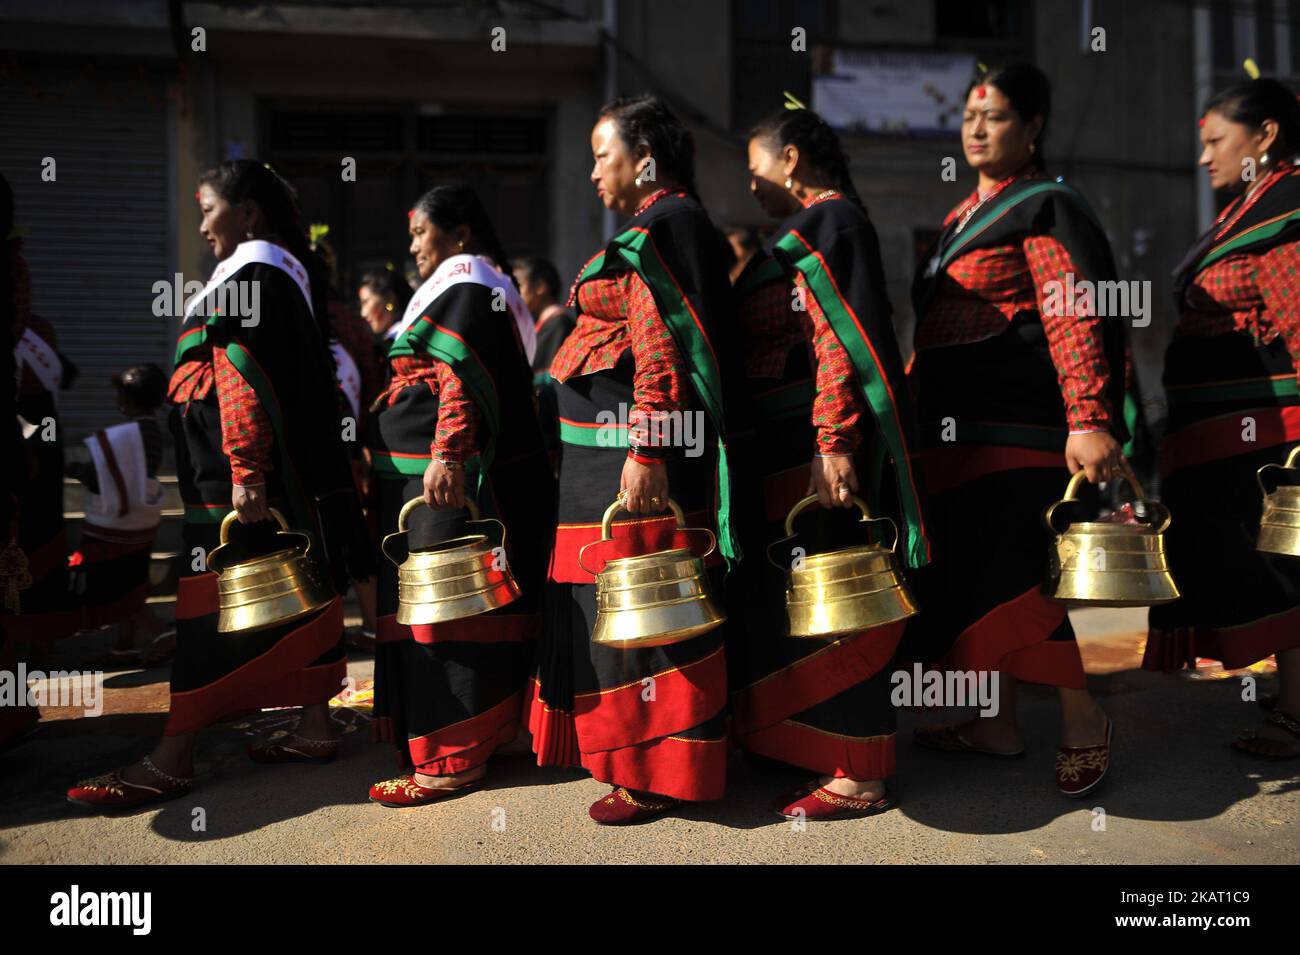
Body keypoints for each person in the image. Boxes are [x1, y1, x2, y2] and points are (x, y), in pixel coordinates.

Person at [66, 159, 370, 811]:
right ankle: (314, 726)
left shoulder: (251, 275)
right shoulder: (284, 275)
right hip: (283, 472)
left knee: (209, 611)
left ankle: (173, 757)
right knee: (301, 589)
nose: (202, 225)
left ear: (247, 212)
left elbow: (236, 371)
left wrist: (244, 468)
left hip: (235, 479)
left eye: (207, 209)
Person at [902, 63, 1127, 797]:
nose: (975, 128)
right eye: (969, 115)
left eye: (995, 117)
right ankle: (996, 724)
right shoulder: (958, 220)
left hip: (1020, 427)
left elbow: (1070, 309)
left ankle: (1081, 717)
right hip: (953, 433)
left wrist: (1090, 417)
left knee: (1025, 574)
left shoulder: (1044, 204)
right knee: (973, 576)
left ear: (1031, 129)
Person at [526, 94, 747, 825]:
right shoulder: (656, 228)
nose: (593, 170)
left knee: (649, 611)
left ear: (643, 157)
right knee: (617, 610)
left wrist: (647, 446)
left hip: (636, 462)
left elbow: (660, 347)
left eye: (602, 153)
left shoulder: (665, 226)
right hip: (603, 465)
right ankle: (629, 758)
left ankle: (662, 769)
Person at [729, 105, 929, 820]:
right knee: (796, 597)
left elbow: (836, 340)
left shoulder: (832, 223)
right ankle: (803, 745)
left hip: (818, 448)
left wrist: (834, 439)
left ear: (790, 160)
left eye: (755, 166)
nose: (749, 184)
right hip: (785, 445)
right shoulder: (798, 232)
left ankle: (858, 770)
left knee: (840, 598)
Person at [366, 184, 555, 807]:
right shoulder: (467, 287)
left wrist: (447, 453)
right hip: (443, 475)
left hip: (451, 480)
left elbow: (459, 375)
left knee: (451, 610)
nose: (413, 246)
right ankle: (494, 734)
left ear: (460, 233)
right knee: (469, 605)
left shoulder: (471, 286)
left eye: (422, 232)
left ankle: (452, 757)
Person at [1144, 77, 1300, 758]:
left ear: (1264, 136)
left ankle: (1297, 715)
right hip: (1228, 437)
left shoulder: (1286, 211)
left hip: (1278, 438)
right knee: (1265, 565)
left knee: (1289, 567)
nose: (1204, 157)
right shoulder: (1245, 209)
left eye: (1216, 141)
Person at [65, 364, 168, 658]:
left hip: (116, 523)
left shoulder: (130, 435)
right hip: (139, 519)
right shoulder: (151, 433)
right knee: (130, 580)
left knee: (116, 586)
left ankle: (160, 631)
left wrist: (75, 470)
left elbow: (109, 475)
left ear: (128, 399)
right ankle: (124, 642)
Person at [511, 255, 575, 463]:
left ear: (540, 286)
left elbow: (546, 381)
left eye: (518, 285)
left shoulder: (558, 324)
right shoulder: (541, 326)